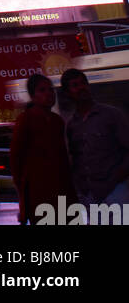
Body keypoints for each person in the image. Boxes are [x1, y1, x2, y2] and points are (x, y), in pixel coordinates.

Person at [9, 74, 75, 225]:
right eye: (42, 90)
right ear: (33, 96)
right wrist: (22, 196)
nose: (49, 94)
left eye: (51, 89)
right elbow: (16, 158)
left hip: (61, 186)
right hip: (38, 189)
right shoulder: (26, 120)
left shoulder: (57, 121)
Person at [60, 67, 129, 208]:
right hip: (90, 195)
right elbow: (76, 159)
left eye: (83, 83)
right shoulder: (72, 125)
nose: (81, 88)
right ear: (67, 93)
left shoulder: (111, 115)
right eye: (75, 85)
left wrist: (120, 176)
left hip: (115, 191)